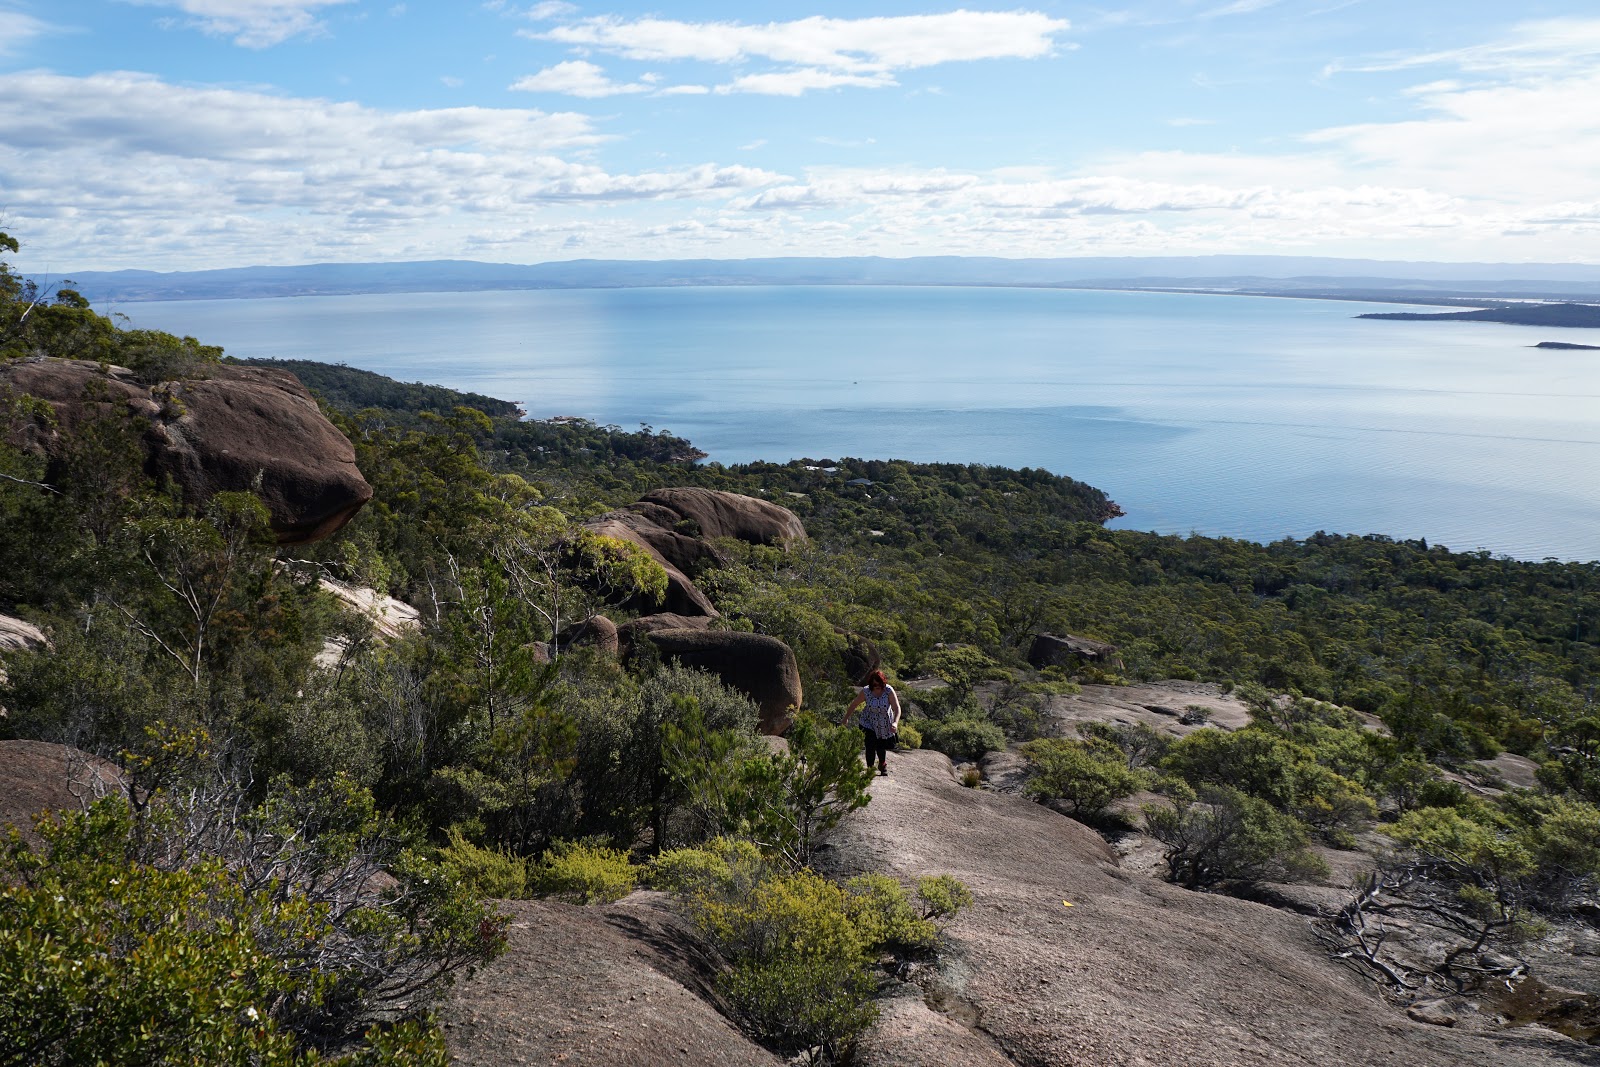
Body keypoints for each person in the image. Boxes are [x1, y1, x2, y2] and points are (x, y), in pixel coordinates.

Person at [842, 670, 901, 777]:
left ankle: (882, 765)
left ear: (883, 683)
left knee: (880, 745)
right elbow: (854, 704)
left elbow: (896, 707)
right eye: (874, 685)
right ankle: (870, 768)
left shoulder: (888, 690)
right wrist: (846, 718)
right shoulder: (866, 691)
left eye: (879, 684)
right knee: (870, 745)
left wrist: (895, 722)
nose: (877, 686)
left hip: (884, 723)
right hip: (868, 722)